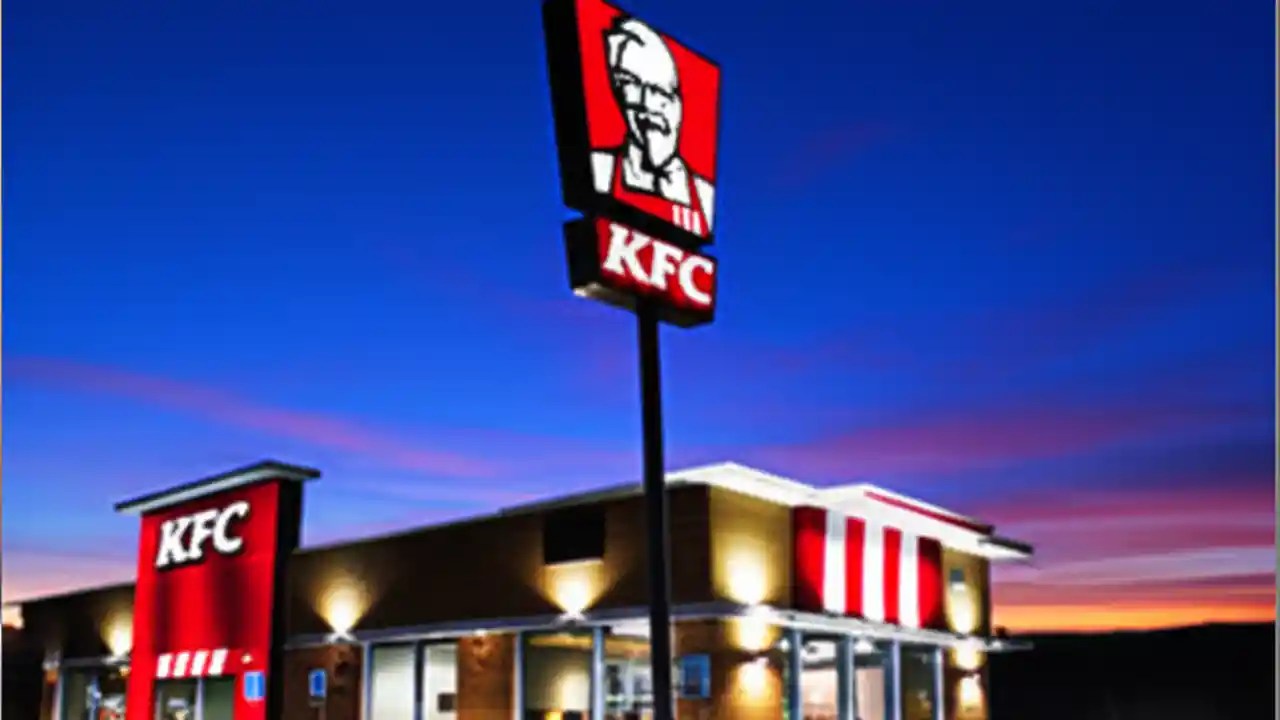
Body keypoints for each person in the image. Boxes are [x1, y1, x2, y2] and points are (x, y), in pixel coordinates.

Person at [592, 16, 715, 238]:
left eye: (660, 91)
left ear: (679, 102)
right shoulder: (600, 171)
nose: (647, 104)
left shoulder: (704, 196)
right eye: (630, 84)